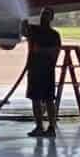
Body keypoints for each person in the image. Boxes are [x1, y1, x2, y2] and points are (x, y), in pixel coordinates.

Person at [24, 7, 63, 136]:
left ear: (51, 18)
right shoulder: (33, 30)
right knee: (35, 100)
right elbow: (23, 30)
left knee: (48, 100)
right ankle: (39, 127)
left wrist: (39, 50)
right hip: (35, 70)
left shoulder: (54, 35)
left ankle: (51, 128)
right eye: (42, 14)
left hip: (46, 71)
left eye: (46, 15)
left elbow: (55, 52)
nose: (43, 17)